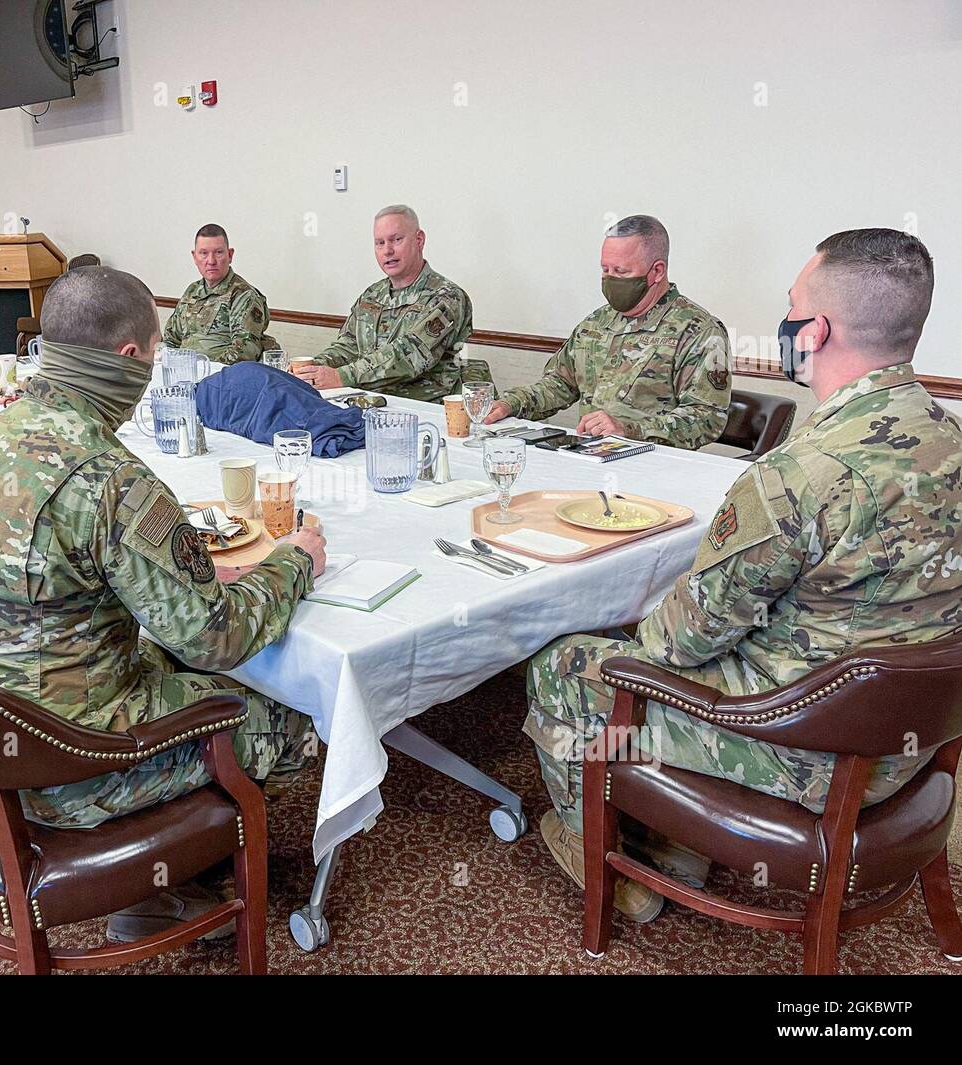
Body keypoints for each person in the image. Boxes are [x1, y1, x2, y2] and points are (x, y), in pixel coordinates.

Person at [524, 228, 962, 923]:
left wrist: (631, 617)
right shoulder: (950, 438)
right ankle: (673, 842)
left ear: (815, 330)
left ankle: (611, 862)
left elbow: (678, 642)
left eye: (791, 307)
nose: (784, 323)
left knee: (563, 663)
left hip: (803, 749)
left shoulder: (798, 473)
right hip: (917, 741)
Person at [0, 265, 327, 941]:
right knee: (291, 715)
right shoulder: (111, 481)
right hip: (64, 763)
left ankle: (162, 874)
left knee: (166, 656)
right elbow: (216, 638)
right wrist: (296, 560)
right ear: (131, 358)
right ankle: (152, 882)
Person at [485, 215, 730, 449]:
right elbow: (560, 384)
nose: (611, 279)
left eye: (621, 272)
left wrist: (629, 429)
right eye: (605, 270)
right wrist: (511, 403)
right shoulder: (597, 322)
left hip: (653, 466)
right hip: (591, 456)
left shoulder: (697, 331)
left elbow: (706, 417)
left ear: (657, 272)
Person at [294, 204, 487, 401]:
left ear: (419, 240)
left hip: (429, 412)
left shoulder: (447, 297)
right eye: (380, 243)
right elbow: (348, 345)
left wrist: (342, 376)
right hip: (371, 405)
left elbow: (410, 355)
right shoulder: (372, 295)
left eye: (396, 240)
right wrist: (312, 369)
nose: (387, 250)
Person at [161, 224, 279, 363]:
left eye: (218, 252)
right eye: (204, 253)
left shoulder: (243, 295)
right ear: (194, 256)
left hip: (221, 376)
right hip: (184, 373)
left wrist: (204, 370)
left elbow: (244, 351)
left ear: (230, 255)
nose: (211, 261)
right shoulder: (192, 291)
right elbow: (171, 339)